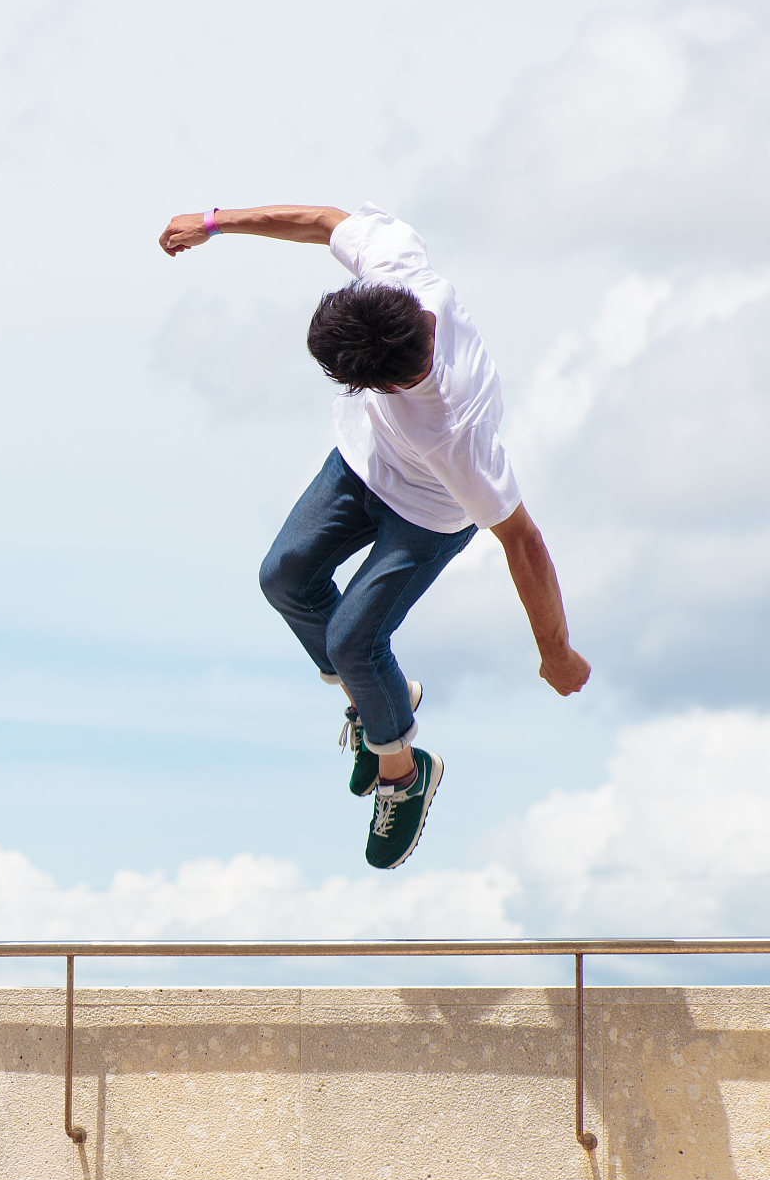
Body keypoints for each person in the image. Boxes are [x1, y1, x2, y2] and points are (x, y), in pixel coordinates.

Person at [157, 204, 590, 868]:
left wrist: (555, 649)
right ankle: (374, 698)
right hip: (362, 465)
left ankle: (405, 773)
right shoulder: (401, 275)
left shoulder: (454, 435)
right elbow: (324, 221)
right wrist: (215, 222)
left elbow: (522, 540)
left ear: (385, 383)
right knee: (284, 577)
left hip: (428, 511)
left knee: (353, 638)